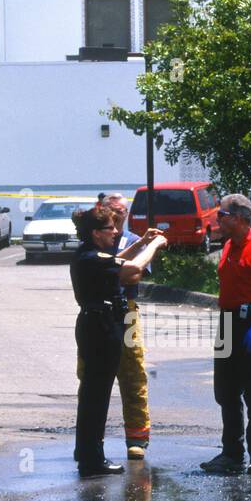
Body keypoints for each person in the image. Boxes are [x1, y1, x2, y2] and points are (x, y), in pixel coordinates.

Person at [70, 204, 166, 478]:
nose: (115, 231)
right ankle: (92, 460)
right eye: (109, 228)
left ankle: (89, 453)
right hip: (101, 326)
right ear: (95, 233)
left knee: (94, 394)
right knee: (96, 395)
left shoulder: (92, 255)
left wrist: (142, 242)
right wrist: (155, 245)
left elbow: (120, 261)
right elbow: (133, 271)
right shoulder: (91, 257)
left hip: (99, 323)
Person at [201, 193, 251, 476]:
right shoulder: (227, 246)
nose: (218, 220)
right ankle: (231, 453)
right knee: (225, 391)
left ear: (238, 218)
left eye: (222, 215)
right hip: (227, 324)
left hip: (250, 323)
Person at [100, 192, 151, 459]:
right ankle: (93, 439)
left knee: (133, 372)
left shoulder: (134, 241)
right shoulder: (96, 240)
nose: (119, 215)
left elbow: (135, 273)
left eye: (122, 211)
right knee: (93, 375)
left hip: (127, 311)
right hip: (98, 310)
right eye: (113, 210)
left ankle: (138, 439)